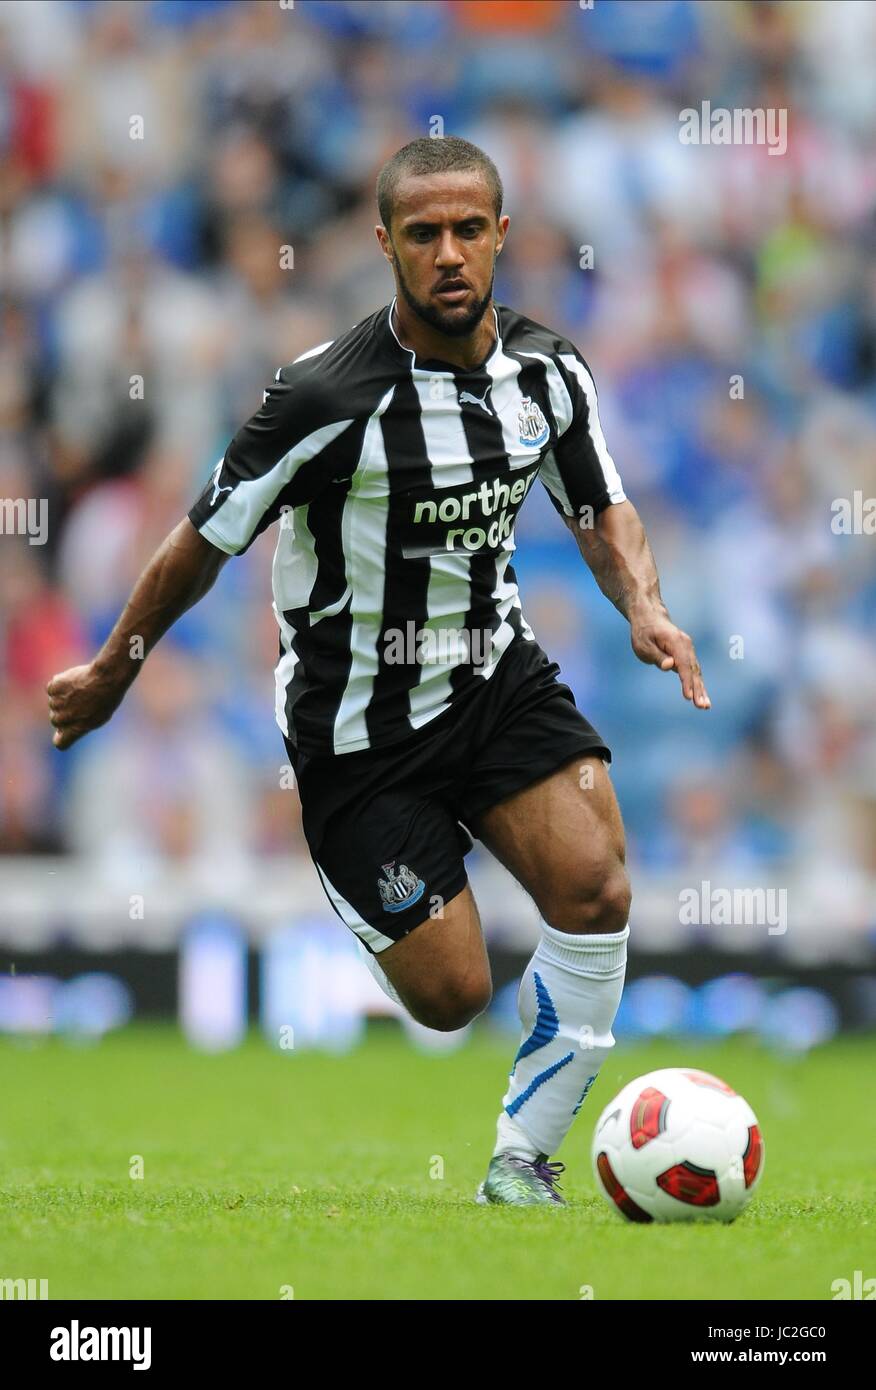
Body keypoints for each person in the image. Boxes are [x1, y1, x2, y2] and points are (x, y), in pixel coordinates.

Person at [47, 137, 710, 1206]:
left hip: (492, 675)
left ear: (501, 235)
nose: (448, 254)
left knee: (596, 886)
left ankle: (520, 1158)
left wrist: (645, 606)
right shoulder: (320, 397)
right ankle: (357, 862)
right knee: (453, 995)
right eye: (423, 234)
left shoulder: (548, 372)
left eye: (467, 230)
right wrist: (115, 671)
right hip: (355, 724)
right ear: (385, 245)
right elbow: (201, 540)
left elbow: (599, 504)